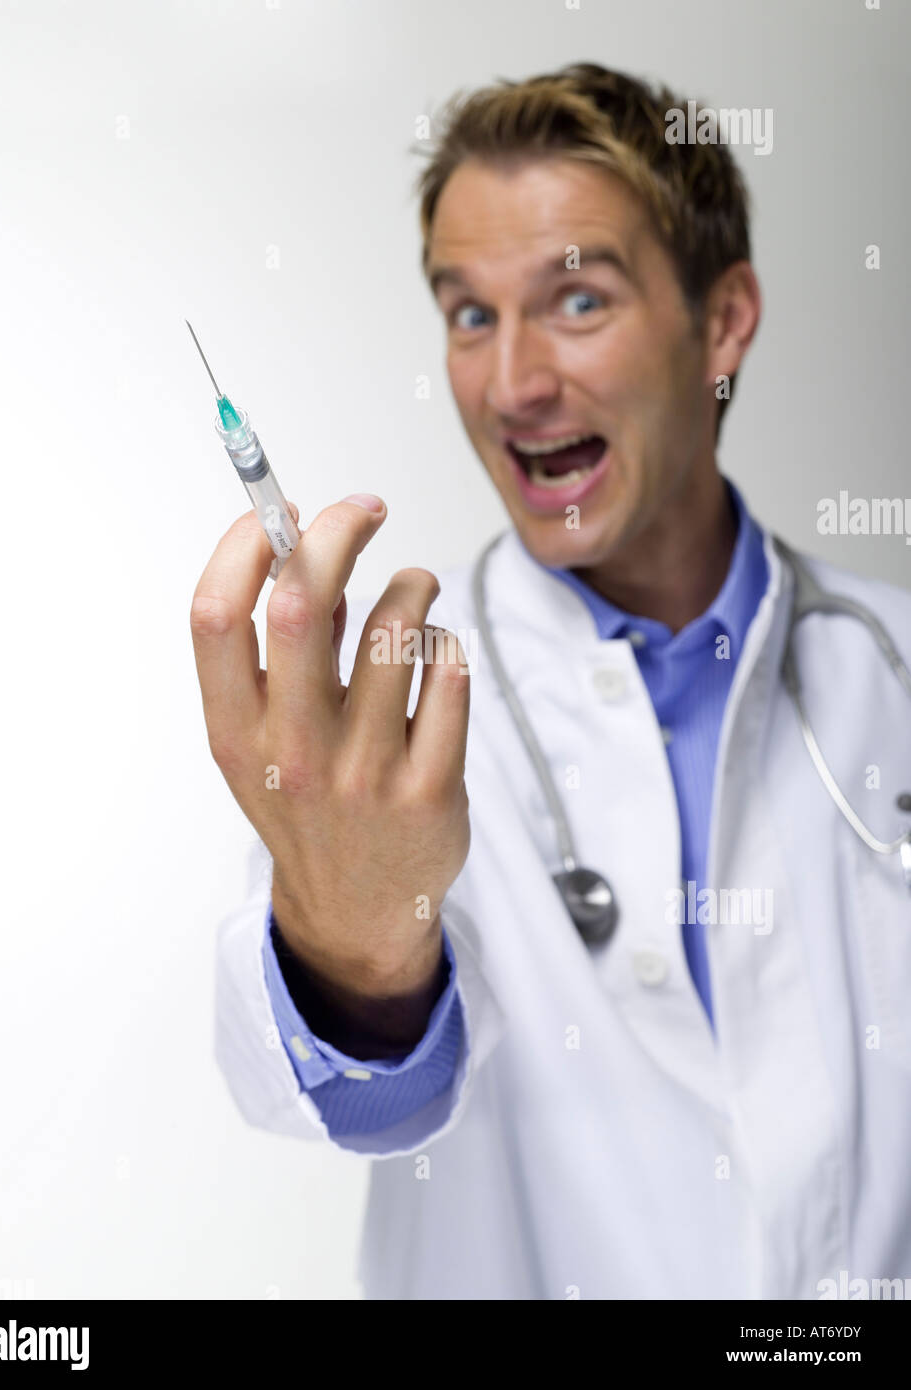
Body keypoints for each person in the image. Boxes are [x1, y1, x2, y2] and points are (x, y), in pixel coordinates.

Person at [191, 62, 911, 1300]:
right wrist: (359, 951)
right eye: (468, 314)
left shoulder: (885, 665)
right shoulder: (396, 702)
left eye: (574, 299)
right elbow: (352, 1096)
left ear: (723, 320)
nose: (512, 384)